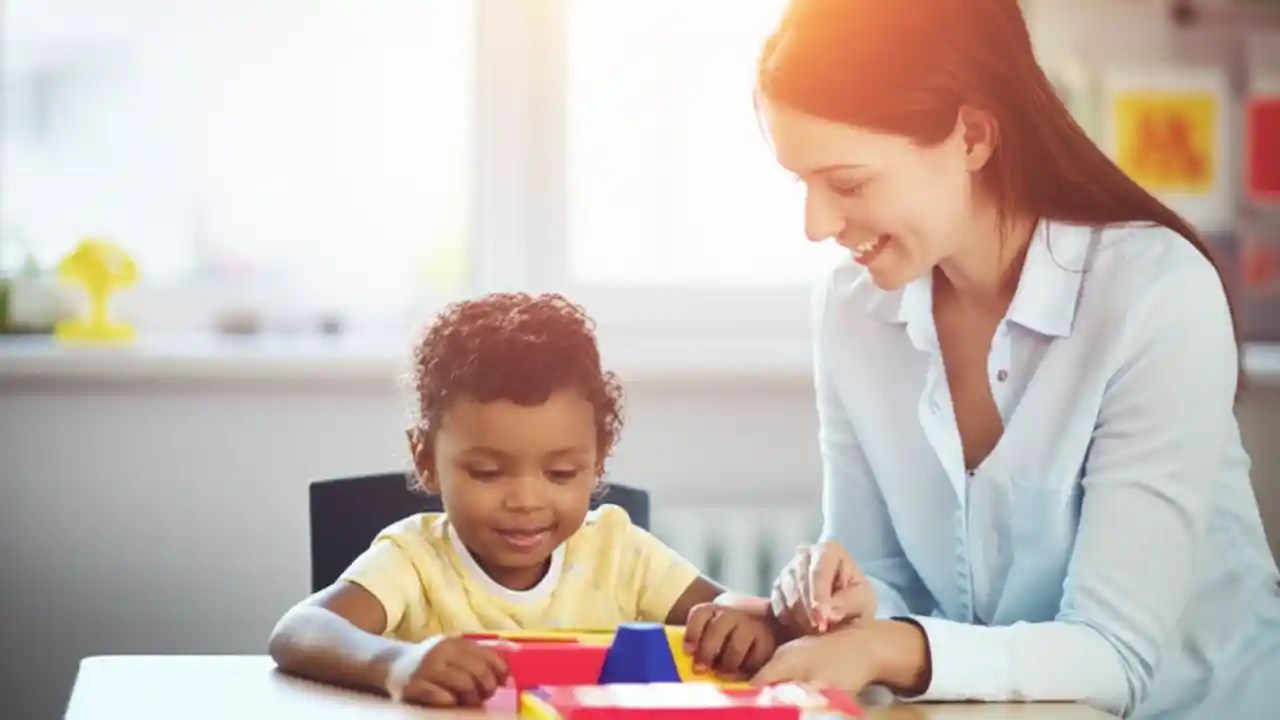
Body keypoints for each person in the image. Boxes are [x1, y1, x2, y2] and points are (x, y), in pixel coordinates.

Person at [747, 1, 1280, 718]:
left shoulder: (1157, 297)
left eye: (847, 183)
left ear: (972, 135)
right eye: (800, 183)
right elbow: (885, 579)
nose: (816, 226)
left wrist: (887, 646)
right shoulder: (851, 312)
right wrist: (847, 601)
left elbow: (1111, 652)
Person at [269, 293, 780, 707]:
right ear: (425, 458)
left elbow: (735, 613)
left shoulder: (618, 551)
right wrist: (396, 664)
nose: (526, 499)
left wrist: (741, 626)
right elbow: (300, 629)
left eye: (561, 473)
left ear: (598, 459)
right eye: (487, 472)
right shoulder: (414, 562)